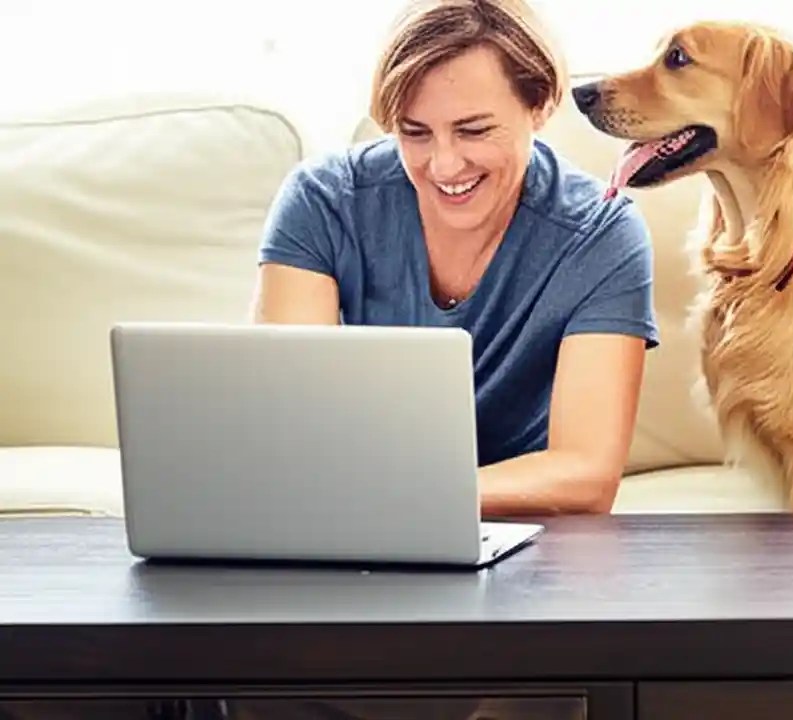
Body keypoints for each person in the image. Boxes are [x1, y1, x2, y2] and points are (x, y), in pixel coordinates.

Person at [250, 0, 659, 517]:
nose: (443, 165)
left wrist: (403, 497)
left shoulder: (601, 234)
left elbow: (585, 474)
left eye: (474, 130)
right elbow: (290, 429)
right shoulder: (323, 202)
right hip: (356, 521)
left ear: (539, 106)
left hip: (517, 527)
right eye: (414, 132)